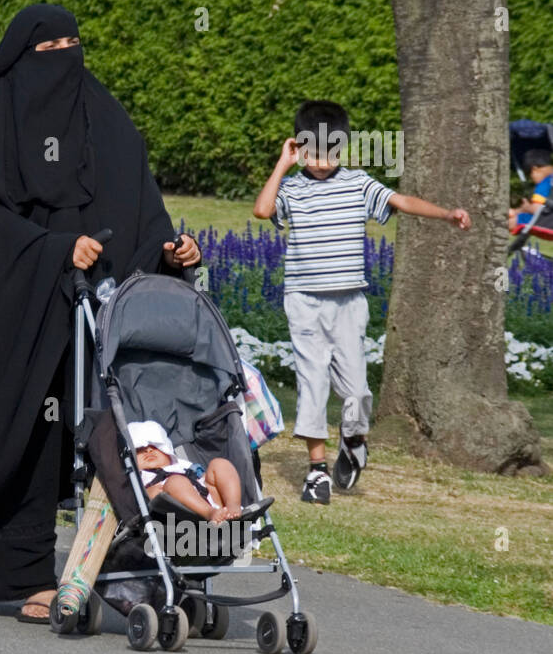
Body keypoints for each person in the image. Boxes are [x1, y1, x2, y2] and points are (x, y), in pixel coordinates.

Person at [0, 4, 202, 622]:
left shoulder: (98, 111)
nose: (64, 57)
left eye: (73, 44)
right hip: (19, 305)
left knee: (98, 436)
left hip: (91, 311)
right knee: (19, 433)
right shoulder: (0, 112)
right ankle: (4, 573)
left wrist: (170, 247)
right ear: (23, 57)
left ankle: (113, 568)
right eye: (50, 47)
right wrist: (55, 248)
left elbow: (140, 201)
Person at [253, 100, 471, 503]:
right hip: (303, 303)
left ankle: (354, 440)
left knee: (356, 390)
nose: (320, 162)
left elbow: (402, 202)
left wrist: (446, 214)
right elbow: (262, 209)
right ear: (298, 148)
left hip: (349, 303)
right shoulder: (291, 188)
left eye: (329, 153)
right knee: (312, 384)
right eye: (312, 153)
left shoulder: (358, 184)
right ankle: (316, 471)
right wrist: (282, 166)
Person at [127, 421, 244, 523]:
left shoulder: (181, 465)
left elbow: (203, 478)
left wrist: (208, 479)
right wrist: (146, 494)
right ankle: (210, 513)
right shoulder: (139, 477)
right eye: (139, 450)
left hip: (214, 500)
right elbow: (136, 501)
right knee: (175, 481)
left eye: (155, 446)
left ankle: (233, 507)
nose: (148, 450)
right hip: (189, 515)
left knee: (219, 464)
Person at [509, 149, 551, 229]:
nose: (532, 179)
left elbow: (537, 209)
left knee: (511, 220)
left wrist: (526, 207)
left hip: (545, 222)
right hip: (548, 219)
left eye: (530, 174)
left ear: (534, 169)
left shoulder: (545, 183)